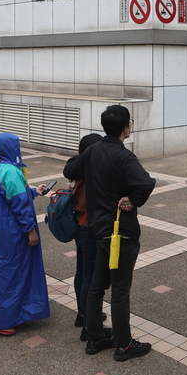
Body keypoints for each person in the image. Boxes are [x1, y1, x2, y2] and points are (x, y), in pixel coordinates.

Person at [63, 104, 158, 362]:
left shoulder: (92, 151)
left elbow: (70, 171)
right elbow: (146, 183)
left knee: (97, 284)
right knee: (120, 289)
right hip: (121, 231)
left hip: (98, 229)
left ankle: (94, 337)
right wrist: (132, 199)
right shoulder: (125, 157)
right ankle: (123, 345)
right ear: (127, 127)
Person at [0, 133, 51, 336]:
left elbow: (13, 196)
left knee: (0, 273)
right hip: (13, 233)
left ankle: (0, 315)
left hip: (0, 233)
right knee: (12, 275)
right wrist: (31, 230)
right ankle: (2, 319)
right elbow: (20, 205)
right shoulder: (12, 172)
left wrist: (34, 191)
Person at [66, 133, 105, 337]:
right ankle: (89, 321)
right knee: (90, 276)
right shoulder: (94, 171)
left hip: (79, 224)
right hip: (90, 227)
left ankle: (82, 314)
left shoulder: (76, 168)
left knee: (81, 271)